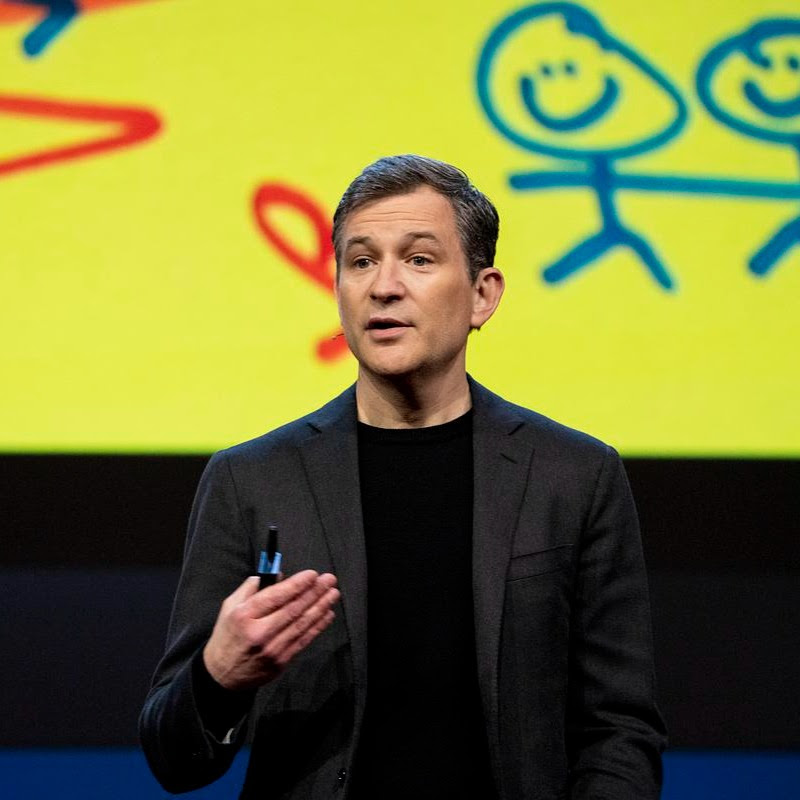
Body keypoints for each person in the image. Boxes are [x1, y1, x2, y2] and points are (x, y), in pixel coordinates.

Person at [140, 154, 666, 799]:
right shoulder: (251, 480)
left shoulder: (574, 476)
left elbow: (619, 729)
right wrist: (217, 677)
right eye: (361, 262)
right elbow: (173, 759)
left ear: (482, 294)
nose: (383, 286)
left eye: (418, 259)